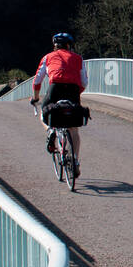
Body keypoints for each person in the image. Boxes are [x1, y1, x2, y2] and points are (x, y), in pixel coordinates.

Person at [30, 32, 88, 177]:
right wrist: (75, 94)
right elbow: (84, 82)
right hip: (73, 91)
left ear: (55, 46)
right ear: (69, 46)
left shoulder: (48, 57)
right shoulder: (78, 58)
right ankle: (74, 160)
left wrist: (36, 97)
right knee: (73, 128)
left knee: (45, 114)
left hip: (55, 88)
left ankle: (50, 132)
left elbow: (37, 80)